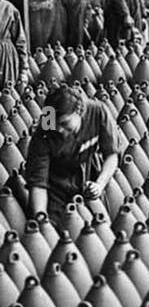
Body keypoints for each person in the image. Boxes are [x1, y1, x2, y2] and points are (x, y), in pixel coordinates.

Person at [24, 84, 126, 221]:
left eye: (64, 123)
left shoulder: (97, 111)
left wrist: (99, 184)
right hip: (55, 185)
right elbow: (38, 182)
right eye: (56, 124)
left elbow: (112, 154)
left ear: (79, 111)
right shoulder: (45, 130)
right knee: (57, 228)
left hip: (87, 177)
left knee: (98, 225)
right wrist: (40, 217)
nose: (59, 129)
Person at [0, 0, 24, 87]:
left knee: (7, 95)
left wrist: (24, 70)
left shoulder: (9, 9)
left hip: (5, 58)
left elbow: (20, 41)